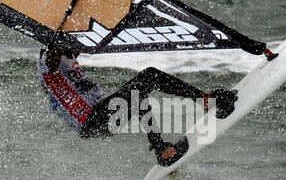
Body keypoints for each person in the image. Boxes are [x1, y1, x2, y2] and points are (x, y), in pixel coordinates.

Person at [37, 46, 237, 165]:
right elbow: (53, 57)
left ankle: (203, 100)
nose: (80, 49)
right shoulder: (50, 57)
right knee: (138, 89)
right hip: (91, 122)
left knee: (147, 78)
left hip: (102, 112)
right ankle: (161, 149)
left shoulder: (68, 52)